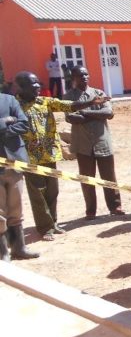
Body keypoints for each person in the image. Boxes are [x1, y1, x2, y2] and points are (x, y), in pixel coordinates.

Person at [15, 71, 109, 240]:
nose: (38, 86)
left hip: (49, 154)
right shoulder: (14, 106)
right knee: (38, 194)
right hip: (30, 158)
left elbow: (69, 105)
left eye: (38, 82)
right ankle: (45, 228)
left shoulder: (45, 102)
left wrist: (91, 102)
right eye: (33, 83)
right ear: (21, 87)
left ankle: (53, 223)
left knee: (53, 191)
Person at [64, 66, 124, 219]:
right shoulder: (68, 97)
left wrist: (84, 112)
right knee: (86, 179)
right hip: (83, 144)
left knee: (109, 176)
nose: (84, 77)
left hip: (102, 141)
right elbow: (71, 118)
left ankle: (115, 206)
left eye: (86, 74)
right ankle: (91, 210)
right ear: (73, 78)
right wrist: (96, 114)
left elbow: (108, 113)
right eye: (80, 75)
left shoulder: (99, 93)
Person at [0, 92, 39, 261]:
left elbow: (23, 124)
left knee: (16, 209)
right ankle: (3, 253)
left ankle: (19, 248)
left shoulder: (9, 100)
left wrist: (3, 129)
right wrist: (5, 122)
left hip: (14, 162)